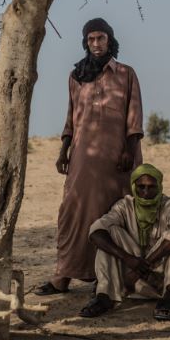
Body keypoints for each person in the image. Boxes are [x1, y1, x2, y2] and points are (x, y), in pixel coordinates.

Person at [35, 18, 144, 296]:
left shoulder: (126, 74)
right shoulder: (76, 76)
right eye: (91, 39)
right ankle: (63, 275)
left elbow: (134, 118)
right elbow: (71, 117)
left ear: (110, 40)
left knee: (113, 214)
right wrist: (64, 149)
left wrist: (129, 152)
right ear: (85, 42)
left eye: (101, 38)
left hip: (118, 158)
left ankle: (107, 277)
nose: (96, 44)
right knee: (72, 210)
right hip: (82, 157)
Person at [80, 164, 170, 321]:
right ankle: (104, 296)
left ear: (160, 186)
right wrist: (127, 258)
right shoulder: (124, 206)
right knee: (110, 234)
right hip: (132, 279)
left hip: (159, 279)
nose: (145, 192)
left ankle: (169, 298)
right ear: (133, 186)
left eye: (151, 187)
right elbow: (96, 231)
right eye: (141, 187)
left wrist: (142, 266)